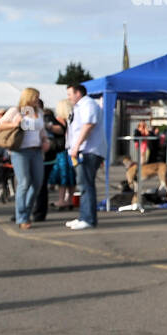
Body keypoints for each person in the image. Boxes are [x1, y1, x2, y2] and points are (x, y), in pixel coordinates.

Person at [0, 88, 50, 230]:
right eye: (35, 97)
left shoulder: (38, 112)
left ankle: (26, 210)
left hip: (36, 151)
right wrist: (15, 123)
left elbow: (41, 130)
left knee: (37, 183)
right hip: (20, 151)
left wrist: (45, 140)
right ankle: (22, 217)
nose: (37, 99)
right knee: (24, 183)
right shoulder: (18, 110)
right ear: (28, 97)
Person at [65, 82, 107, 230]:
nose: (68, 97)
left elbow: (88, 125)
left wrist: (76, 146)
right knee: (83, 184)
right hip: (83, 151)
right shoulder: (81, 106)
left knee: (86, 185)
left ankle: (88, 219)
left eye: (70, 94)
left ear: (78, 93)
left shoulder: (87, 104)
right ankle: (83, 216)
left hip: (88, 151)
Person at [48, 99, 75, 210]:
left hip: (61, 152)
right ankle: (69, 200)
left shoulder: (58, 121)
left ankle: (61, 200)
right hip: (71, 150)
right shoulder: (72, 120)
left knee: (62, 177)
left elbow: (59, 131)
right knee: (71, 176)